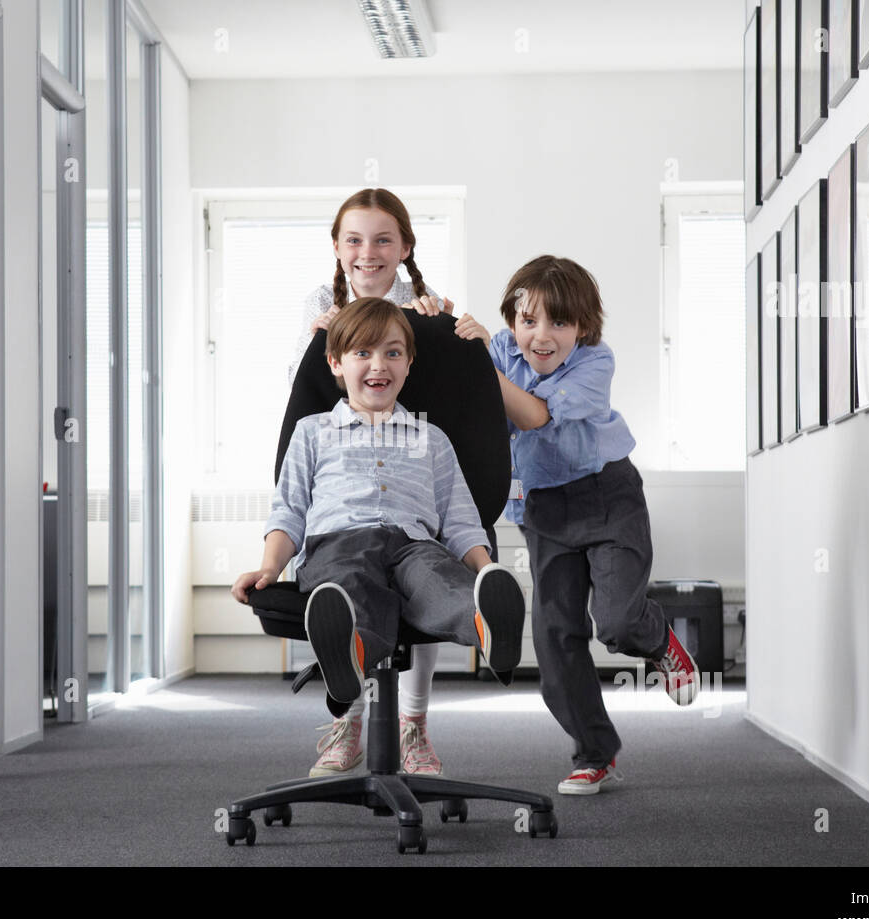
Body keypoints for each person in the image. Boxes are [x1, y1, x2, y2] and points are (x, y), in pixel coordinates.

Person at [234, 298, 525, 764]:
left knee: (439, 579)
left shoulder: (431, 438)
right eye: (363, 353)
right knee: (348, 585)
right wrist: (269, 567)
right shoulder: (312, 432)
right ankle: (352, 649)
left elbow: (460, 519)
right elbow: (289, 510)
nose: (378, 365)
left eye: (392, 353)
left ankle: (485, 622)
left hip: (414, 545)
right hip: (338, 543)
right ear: (335, 363)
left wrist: (487, 570)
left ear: (409, 364)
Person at [451, 255, 700, 796]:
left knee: (615, 623)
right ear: (511, 320)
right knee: (555, 636)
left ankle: (658, 639)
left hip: (608, 497)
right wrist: (448, 323)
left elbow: (535, 415)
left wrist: (481, 366)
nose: (541, 336)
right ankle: (595, 753)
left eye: (559, 323)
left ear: (583, 328)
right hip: (545, 509)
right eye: (528, 320)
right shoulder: (495, 350)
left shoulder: (595, 362)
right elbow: (451, 364)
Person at [286, 188, 460, 779]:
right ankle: (348, 719)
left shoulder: (427, 309)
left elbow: (464, 396)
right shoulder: (320, 307)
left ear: (406, 247)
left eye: (384, 239)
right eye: (354, 240)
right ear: (337, 248)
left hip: (413, 467)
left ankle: (413, 727)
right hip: (344, 479)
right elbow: (302, 395)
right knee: (350, 577)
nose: (369, 253)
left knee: (426, 572)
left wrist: (470, 338)